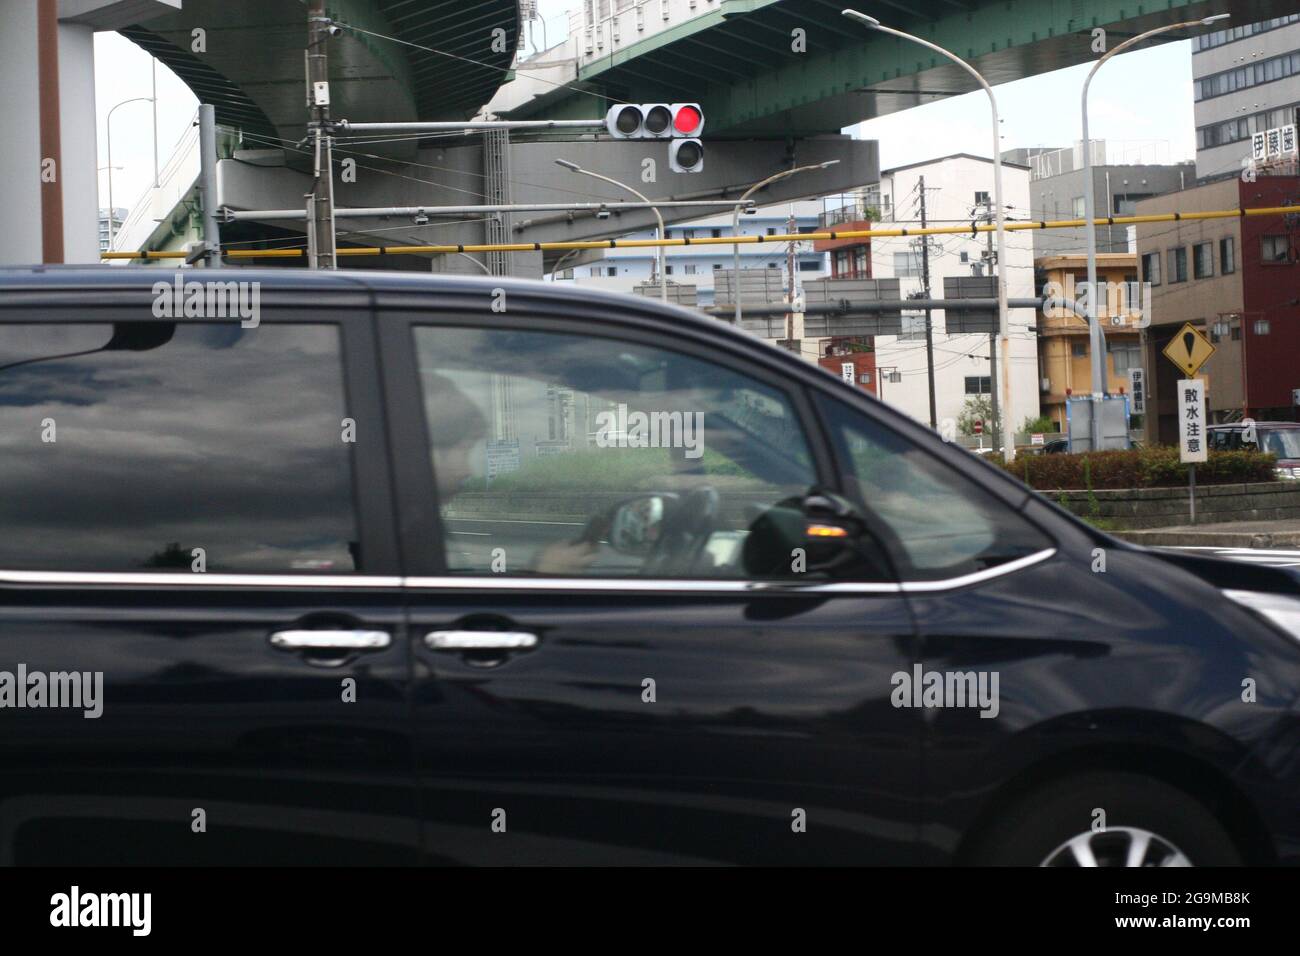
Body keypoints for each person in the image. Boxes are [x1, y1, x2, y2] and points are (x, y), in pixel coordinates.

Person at [423, 373, 597, 574]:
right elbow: (453, 603)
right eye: (463, 450)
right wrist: (542, 574)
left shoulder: (411, 525)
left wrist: (535, 569)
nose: (467, 470)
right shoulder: (403, 533)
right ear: (430, 450)